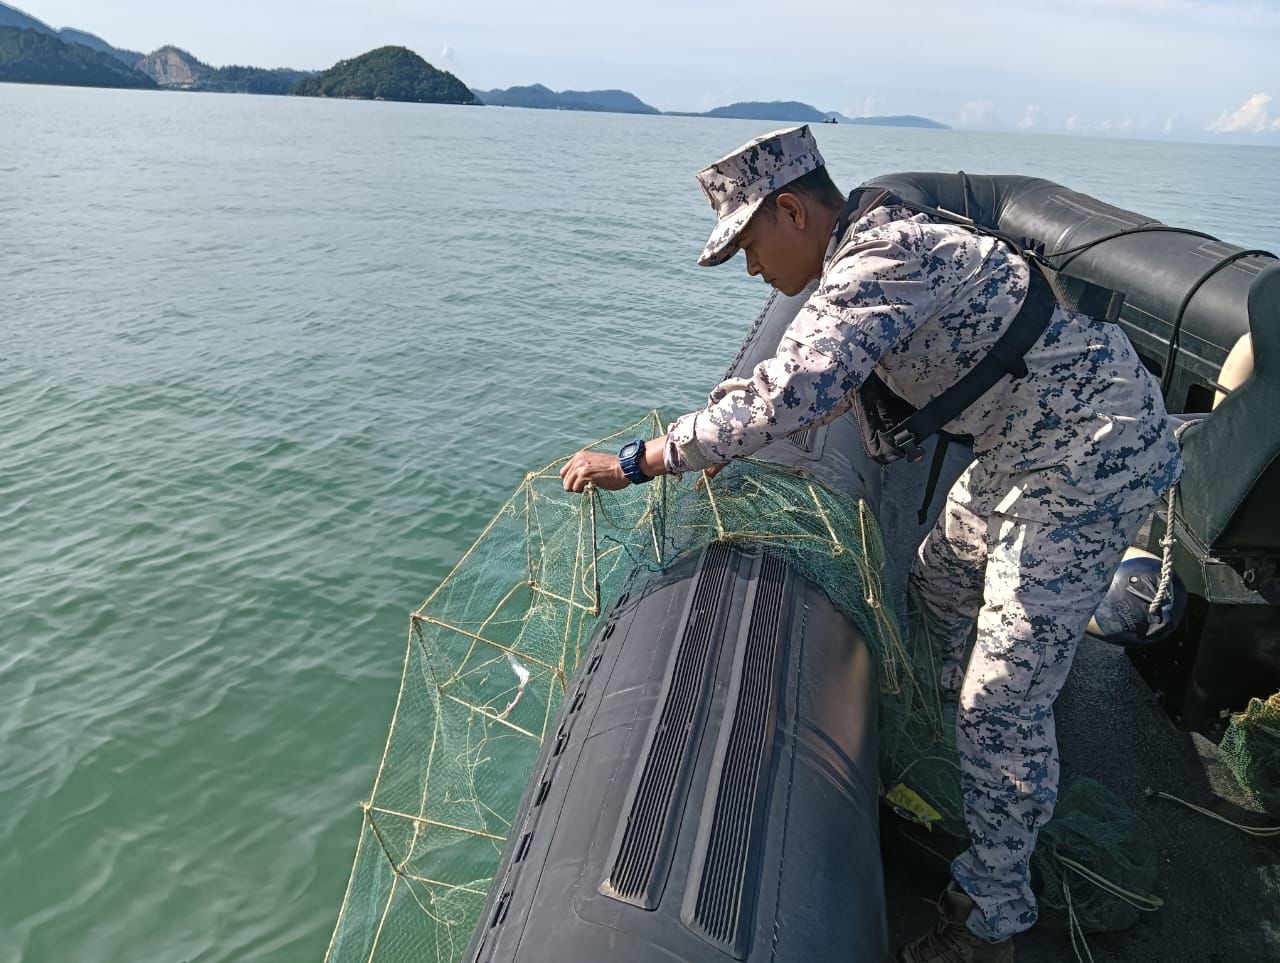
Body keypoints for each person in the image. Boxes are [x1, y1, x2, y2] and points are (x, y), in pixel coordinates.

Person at [558, 125, 1181, 962]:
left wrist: (644, 459)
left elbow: (793, 394)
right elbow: (789, 375)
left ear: (790, 210)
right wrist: (720, 426)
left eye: (749, 245)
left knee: (1003, 701)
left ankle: (993, 913)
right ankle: (960, 747)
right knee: (940, 577)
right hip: (1024, 442)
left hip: (1090, 450)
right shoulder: (864, 256)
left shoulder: (878, 260)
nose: (751, 269)